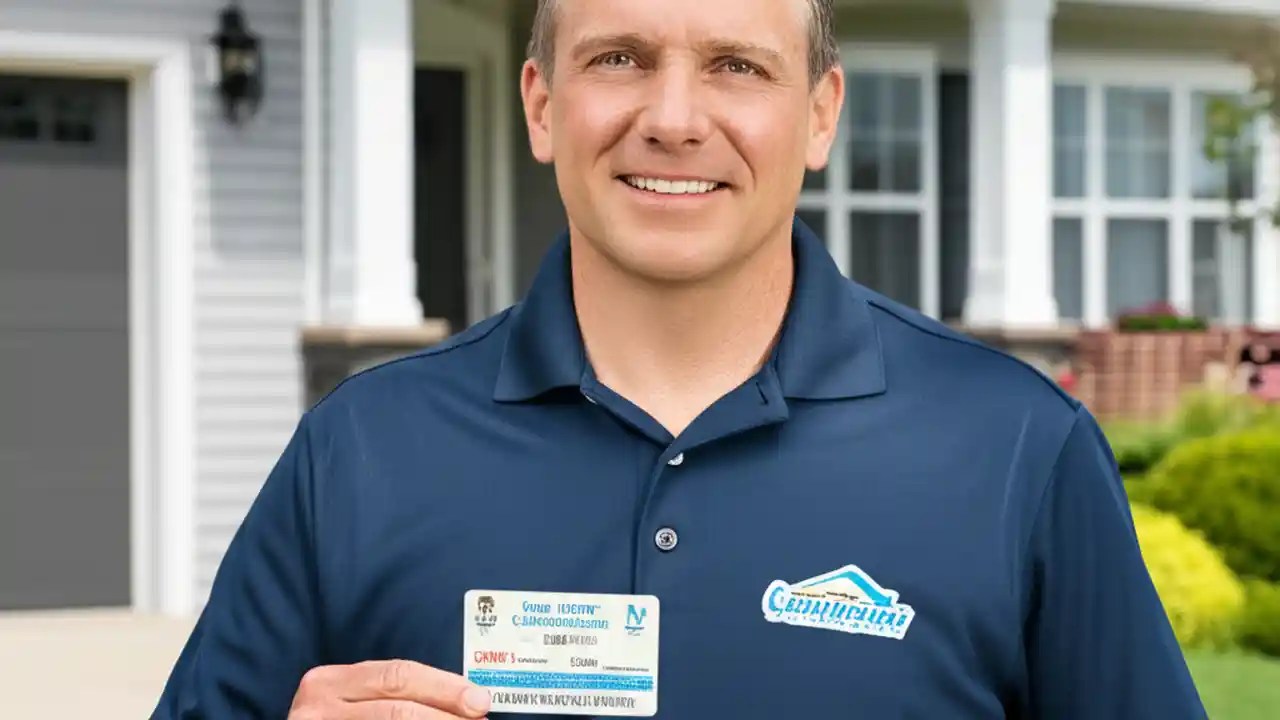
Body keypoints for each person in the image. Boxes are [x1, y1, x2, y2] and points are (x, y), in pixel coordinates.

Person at [153, 0, 1209, 717]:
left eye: (734, 67)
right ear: (538, 104)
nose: (670, 119)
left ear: (818, 115)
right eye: (618, 58)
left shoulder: (1015, 447)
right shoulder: (363, 446)